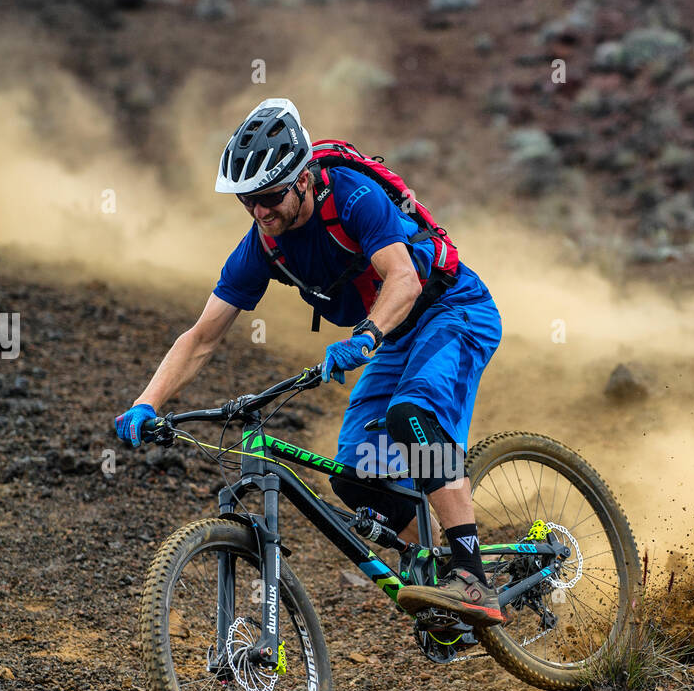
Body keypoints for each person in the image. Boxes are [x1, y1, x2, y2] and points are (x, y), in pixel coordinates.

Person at [115, 98, 503, 624]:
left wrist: (365, 335)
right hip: (394, 335)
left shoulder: (354, 197)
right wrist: (146, 403)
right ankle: (432, 565)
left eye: (270, 196)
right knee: (356, 473)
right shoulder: (263, 246)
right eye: (247, 200)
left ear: (302, 179)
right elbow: (202, 337)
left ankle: (473, 576)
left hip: (452, 308)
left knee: (412, 416)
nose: (260, 211)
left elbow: (404, 278)